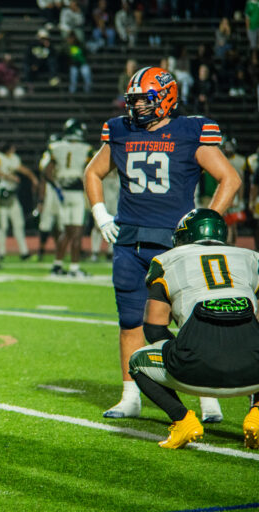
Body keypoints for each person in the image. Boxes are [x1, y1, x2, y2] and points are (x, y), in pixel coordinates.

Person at [84, 66, 242, 420]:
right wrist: (100, 213)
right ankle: (130, 396)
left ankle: (207, 396)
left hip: (175, 243)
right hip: (129, 241)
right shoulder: (120, 130)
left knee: (190, 322)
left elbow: (229, 179)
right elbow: (92, 171)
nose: (137, 106)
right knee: (130, 321)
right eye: (134, 100)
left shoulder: (190, 131)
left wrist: (203, 224)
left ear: (167, 98)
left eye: (145, 99)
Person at [128, 209, 259, 449]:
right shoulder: (252, 259)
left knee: (137, 361)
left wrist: (181, 349)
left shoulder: (166, 261)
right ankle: (257, 413)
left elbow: (154, 328)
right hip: (253, 374)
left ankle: (182, 420)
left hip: (194, 369)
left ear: (183, 237)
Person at [42, 118, 92, 277]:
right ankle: (74, 268)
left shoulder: (56, 147)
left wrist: (56, 186)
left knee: (66, 232)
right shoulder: (86, 149)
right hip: (76, 192)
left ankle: (57, 265)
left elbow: (47, 172)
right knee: (76, 232)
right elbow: (91, 171)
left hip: (62, 192)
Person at [0, 142, 37, 262]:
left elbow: (22, 169)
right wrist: (9, 177)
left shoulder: (14, 158)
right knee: (2, 226)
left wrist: (33, 177)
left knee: (19, 224)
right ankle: (1, 253)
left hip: (12, 195)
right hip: (0, 196)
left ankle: (24, 252)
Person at [36, 132, 62, 261]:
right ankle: (41, 250)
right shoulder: (47, 157)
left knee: (62, 224)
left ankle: (60, 249)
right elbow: (44, 178)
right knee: (46, 223)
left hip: (62, 190)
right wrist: (41, 200)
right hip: (52, 192)